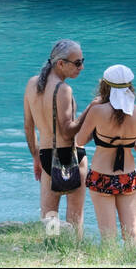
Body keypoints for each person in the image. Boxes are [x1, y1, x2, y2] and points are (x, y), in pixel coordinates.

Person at [76, 64, 136, 247]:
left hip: (101, 176)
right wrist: (128, 140)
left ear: (105, 86)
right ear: (129, 87)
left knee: (108, 234)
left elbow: (80, 141)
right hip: (128, 177)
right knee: (131, 232)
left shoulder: (97, 111)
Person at [23, 39, 89, 238]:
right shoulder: (63, 90)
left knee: (49, 214)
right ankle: (75, 252)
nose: (81, 67)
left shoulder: (32, 84)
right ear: (61, 64)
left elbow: (28, 126)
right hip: (70, 156)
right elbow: (68, 131)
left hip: (45, 155)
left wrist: (35, 156)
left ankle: (52, 248)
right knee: (74, 216)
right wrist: (90, 109)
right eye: (77, 63)